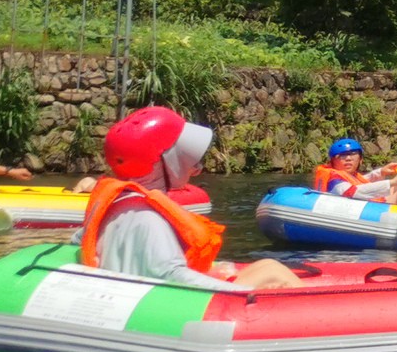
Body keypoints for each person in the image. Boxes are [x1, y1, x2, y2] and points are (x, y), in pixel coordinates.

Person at [76, 107, 301, 290]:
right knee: (273, 272)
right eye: (189, 161)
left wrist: (217, 270)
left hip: (136, 294)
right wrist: (244, 292)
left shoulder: (111, 206)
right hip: (167, 308)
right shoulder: (148, 219)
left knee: (267, 264)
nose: (196, 170)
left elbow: (79, 244)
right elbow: (172, 277)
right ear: (161, 163)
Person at [312, 137, 397, 207]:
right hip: (351, 210)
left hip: (358, 204)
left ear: (360, 159)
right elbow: (353, 191)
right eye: (342, 155)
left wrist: (381, 172)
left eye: (353, 154)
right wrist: (392, 182)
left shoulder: (348, 175)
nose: (348, 158)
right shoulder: (334, 179)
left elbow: (361, 181)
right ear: (333, 161)